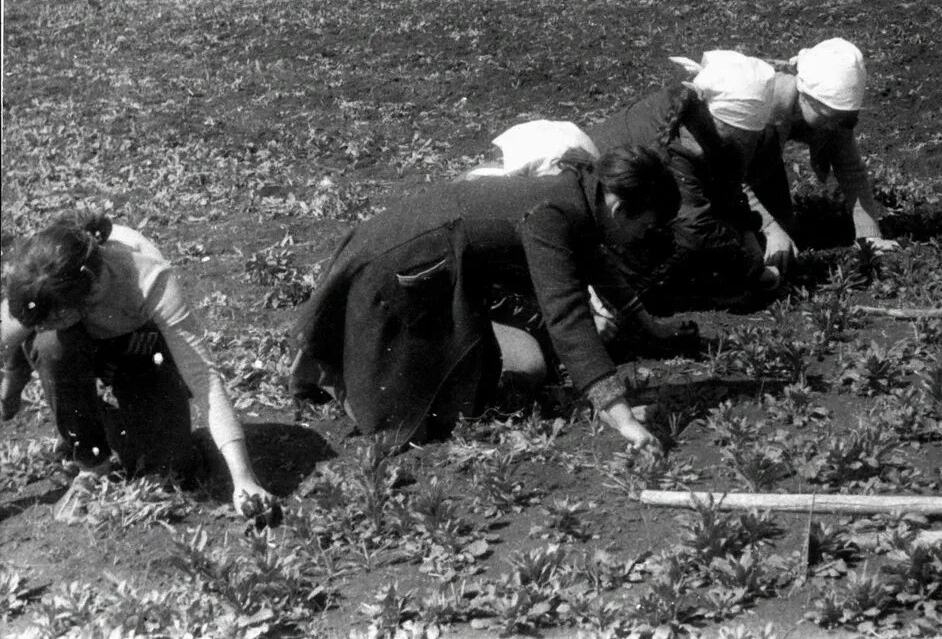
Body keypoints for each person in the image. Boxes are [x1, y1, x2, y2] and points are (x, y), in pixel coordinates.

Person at [289, 146, 679, 450]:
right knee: (412, 425)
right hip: (395, 277)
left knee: (513, 372)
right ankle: (332, 368)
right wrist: (623, 418)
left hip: (437, 278)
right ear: (620, 208)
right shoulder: (552, 214)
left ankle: (347, 359)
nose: (640, 240)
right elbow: (567, 317)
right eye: (643, 228)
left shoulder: (578, 194)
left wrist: (649, 327)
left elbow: (598, 268)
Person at [0, 210, 280, 525]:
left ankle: (107, 419)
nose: (41, 323)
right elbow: (10, 329)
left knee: (170, 469)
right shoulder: (47, 275)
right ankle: (92, 460)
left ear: (90, 291)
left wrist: (244, 479)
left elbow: (204, 379)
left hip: (141, 348)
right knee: (50, 344)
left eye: (53, 317)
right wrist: (14, 369)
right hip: (77, 343)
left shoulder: (149, 280)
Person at [590, 51, 779, 311]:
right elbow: (693, 228)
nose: (744, 145)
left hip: (642, 212)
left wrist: (747, 232)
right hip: (610, 221)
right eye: (738, 136)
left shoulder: (707, 125)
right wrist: (751, 266)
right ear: (714, 117)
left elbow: (727, 183)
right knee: (661, 279)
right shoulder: (672, 140)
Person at [743, 38, 897, 268]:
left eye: (842, 118)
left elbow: (850, 169)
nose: (835, 126)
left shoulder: (834, 116)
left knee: (787, 233)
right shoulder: (765, 106)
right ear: (804, 95)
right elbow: (734, 179)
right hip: (709, 164)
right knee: (751, 240)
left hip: (763, 158)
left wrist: (870, 235)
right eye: (828, 116)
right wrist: (769, 229)